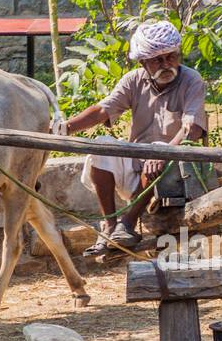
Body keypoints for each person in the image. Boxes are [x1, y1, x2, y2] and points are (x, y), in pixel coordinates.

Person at [64, 20, 208, 254]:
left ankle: (128, 223)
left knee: (158, 149)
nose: (166, 64)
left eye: (171, 57)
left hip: (176, 167)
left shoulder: (191, 80)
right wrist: (64, 129)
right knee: (102, 146)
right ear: (143, 62)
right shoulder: (133, 80)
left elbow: (191, 128)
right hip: (138, 164)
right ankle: (110, 227)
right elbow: (103, 110)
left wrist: (162, 153)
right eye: (157, 60)